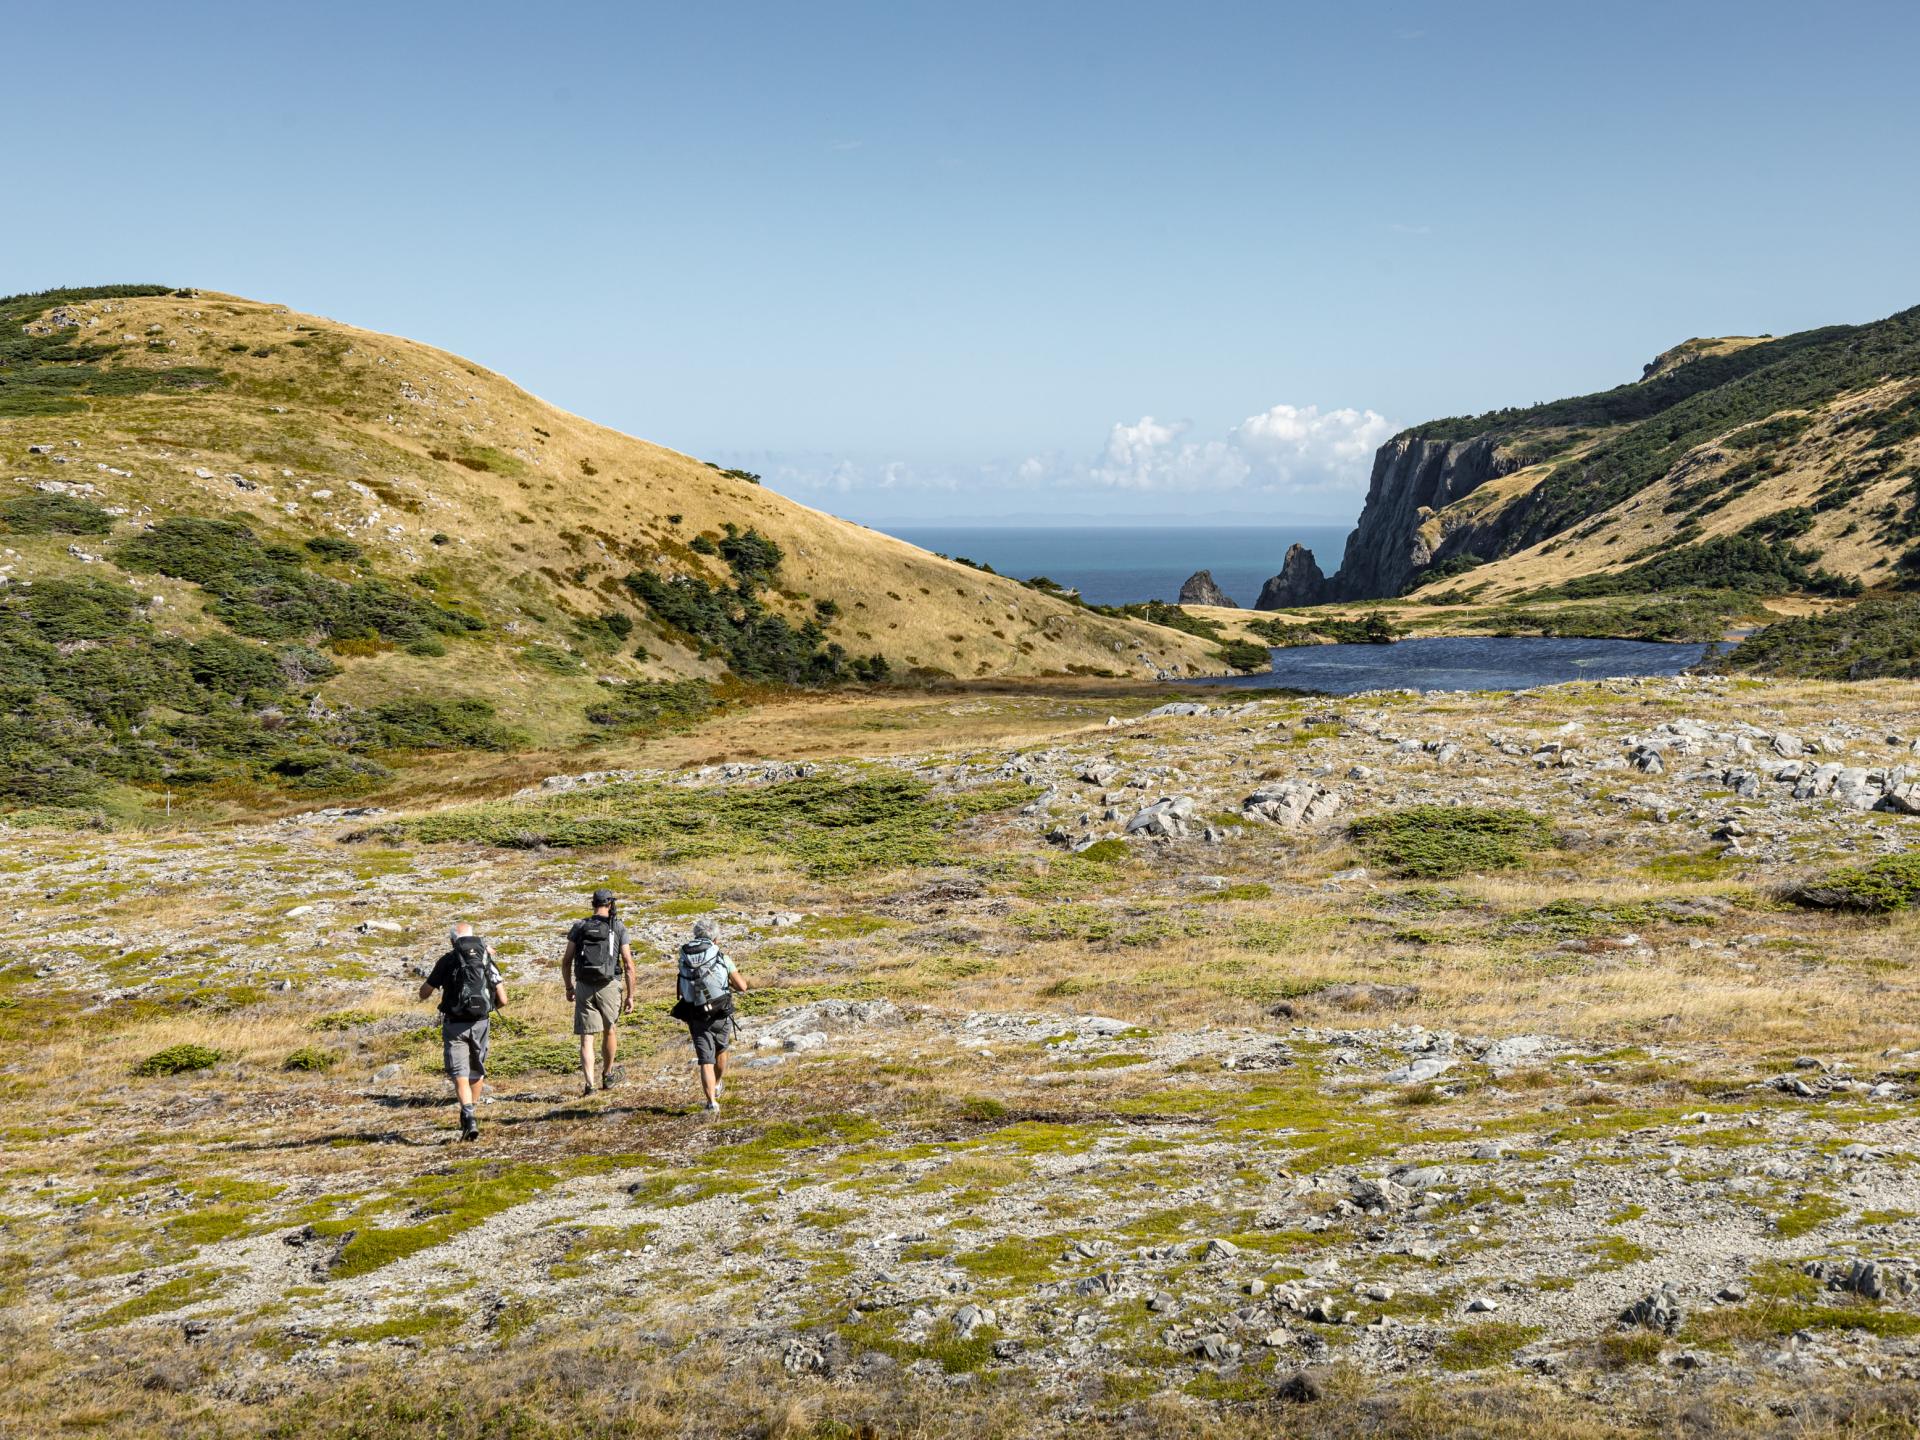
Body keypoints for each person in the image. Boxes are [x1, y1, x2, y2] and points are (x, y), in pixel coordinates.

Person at [418, 922, 508, 1141]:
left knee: (460, 1073)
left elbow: (424, 993)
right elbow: (503, 999)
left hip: (455, 1024)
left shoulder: (447, 960)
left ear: (452, 941)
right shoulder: (486, 959)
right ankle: (471, 1113)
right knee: (477, 1069)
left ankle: (468, 1116)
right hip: (481, 1022)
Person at [560, 888, 634, 1096]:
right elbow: (628, 964)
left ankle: (589, 1085)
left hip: (584, 985)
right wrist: (630, 996)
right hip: (609, 985)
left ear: (593, 904)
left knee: (586, 1037)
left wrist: (569, 987)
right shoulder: (618, 927)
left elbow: (566, 961)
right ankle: (608, 1074)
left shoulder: (580, 926)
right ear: (610, 904)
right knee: (609, 1030)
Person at [672, 919, 750, 1112]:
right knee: (721, 1049)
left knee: (705, 1059)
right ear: (715, 937)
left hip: (695, 1013)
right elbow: (742, 986)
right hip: (719, 1011)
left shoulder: (685, 957)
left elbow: (680, 991)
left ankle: (711, 1103)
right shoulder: (720, 955)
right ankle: (717, 1083)